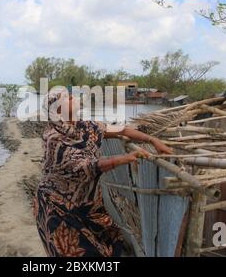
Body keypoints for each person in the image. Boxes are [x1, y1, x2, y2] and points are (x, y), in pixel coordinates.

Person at [34, 90, 172, 257]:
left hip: (85, 204)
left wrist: (152, 140)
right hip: (57, 206)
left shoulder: (86, 126)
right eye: (67, 98)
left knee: (107, 242)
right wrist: (125, 158)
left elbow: (121, 130)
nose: (73, 97)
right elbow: (85, 168)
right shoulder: (54, 139)